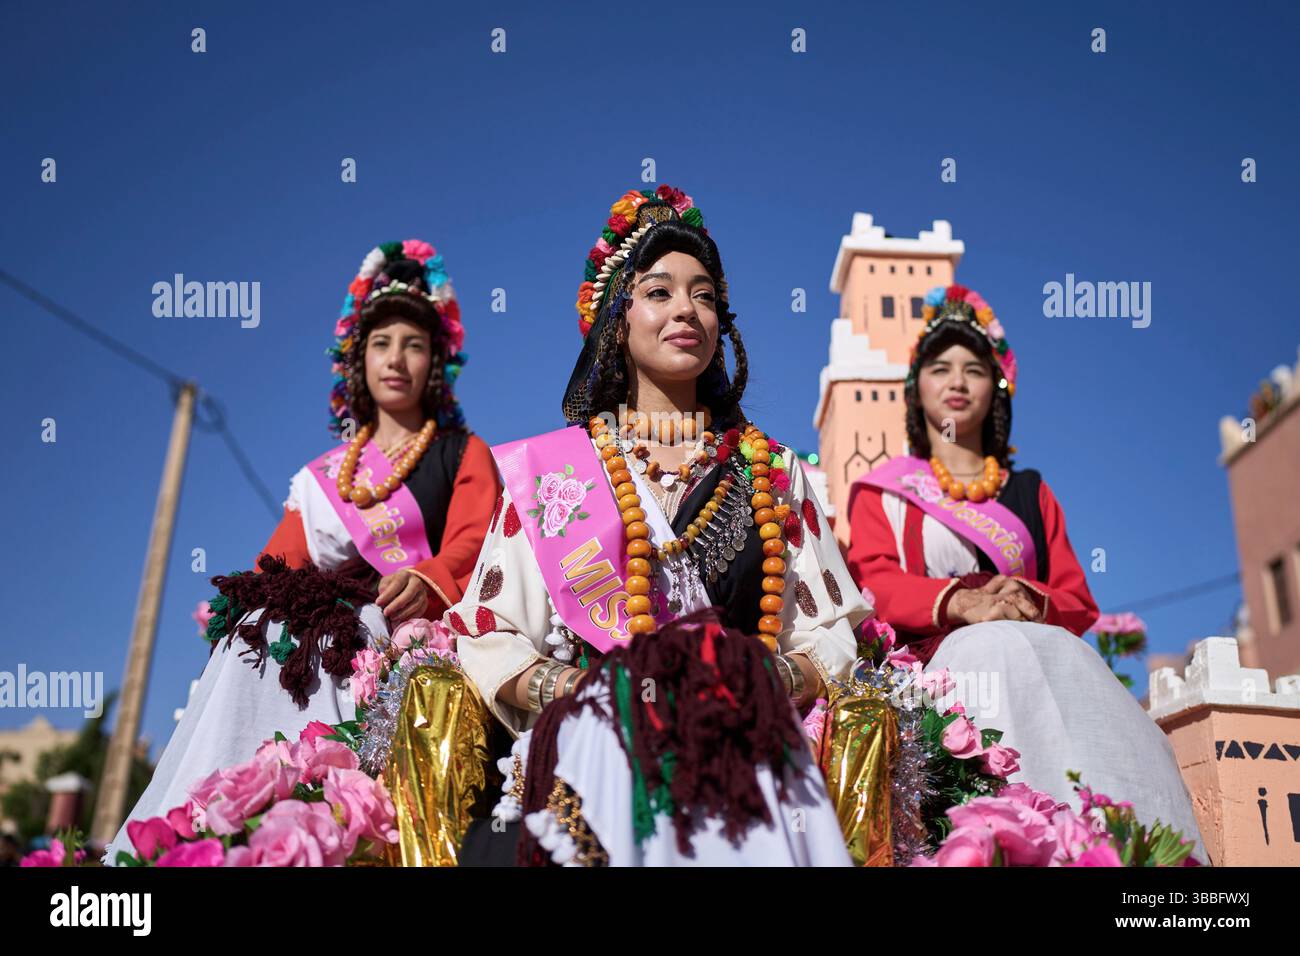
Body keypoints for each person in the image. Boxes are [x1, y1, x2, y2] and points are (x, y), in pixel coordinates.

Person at [450, 187, 868, 866]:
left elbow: (829, 635)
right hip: (594, 736)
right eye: (660, 291)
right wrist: (587, 690)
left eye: (703, 295)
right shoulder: (555, 473)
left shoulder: (775, 471)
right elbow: (493, 637)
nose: (686, 310)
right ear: (618, 320)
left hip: (740, 726)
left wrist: (762, 682)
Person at [104, 240, 500, 863]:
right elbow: (276, 568)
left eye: (415, 344)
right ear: (358, 359)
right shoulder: (321, 479)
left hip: (420, 629)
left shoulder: (462, 453)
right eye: (381, 343)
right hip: (335, 625)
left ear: (437, 362)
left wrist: (427, 578)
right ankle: (202, 826)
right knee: (257, 626)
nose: (397, 358)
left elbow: (477, 541)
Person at [844, 283, 1206, 859]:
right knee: (992, 654)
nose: (958, 382)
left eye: (974, 370)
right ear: (917, 391)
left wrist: (1027, 598)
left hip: (1047, 658)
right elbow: (875, 586)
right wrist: (960, 602)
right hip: (942, 667)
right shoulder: (883, 492)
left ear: (998, 389)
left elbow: (1077, 601)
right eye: (940, 369)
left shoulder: (1031, 492)